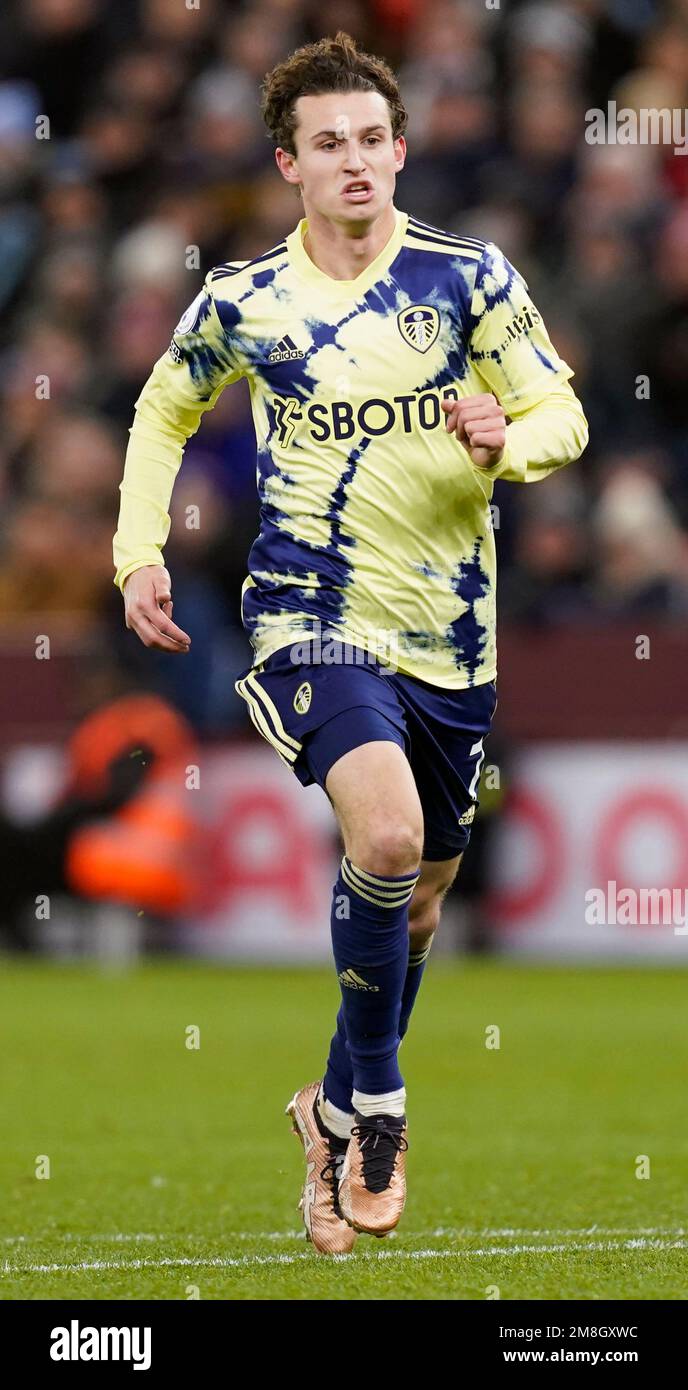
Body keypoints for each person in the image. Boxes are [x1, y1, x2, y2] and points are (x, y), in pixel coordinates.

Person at [112, 32, 588, 1255]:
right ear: (289, 164)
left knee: (417, 900)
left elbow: (563, 411)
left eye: (373, 139)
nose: (356, 161)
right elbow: (165, 403)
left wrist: (507, 438)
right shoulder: (244, 300)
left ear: (401, 149)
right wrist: (138, 551)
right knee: (383, 835)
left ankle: (326, 1104)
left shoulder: (468, 279)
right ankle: (378, 1104)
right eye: (329, 144)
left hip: (453, 636)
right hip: (307, 618)